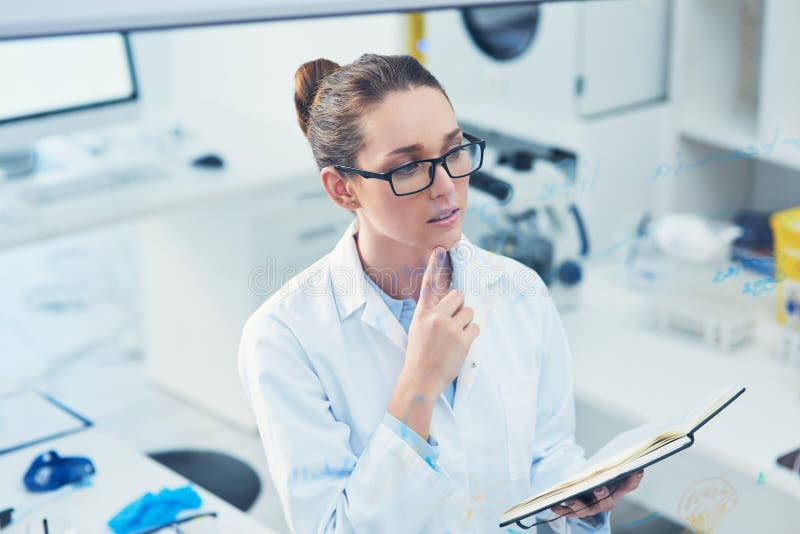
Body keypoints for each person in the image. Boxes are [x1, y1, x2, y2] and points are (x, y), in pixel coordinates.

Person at [238, 53, 643, 533]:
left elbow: (547, 455)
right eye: (408, 167)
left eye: (454, 151)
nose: (447, 186)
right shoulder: (284, 338)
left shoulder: (521, 292)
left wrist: (582, 494)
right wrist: (420, 385)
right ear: (343, 190)